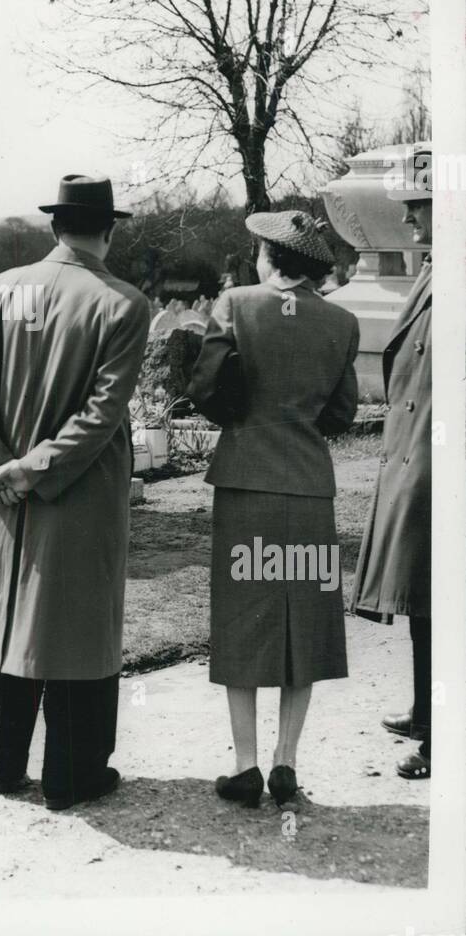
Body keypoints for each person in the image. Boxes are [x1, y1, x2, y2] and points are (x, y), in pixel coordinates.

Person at [0, 175, 151, 811]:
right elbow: (101, 414)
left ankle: (4, 767)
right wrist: (33, 469)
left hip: (5, 488)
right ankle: (73, 774)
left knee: (10, 619)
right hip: (79, 489)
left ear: (52, 228)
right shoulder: (123, 303)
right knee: (77, 630)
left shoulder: (3, 291)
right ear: (108, 230)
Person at [187, 211, 360, 808]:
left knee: (244, 621)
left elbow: (206, 390)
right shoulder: (342, 322)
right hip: (309, 487)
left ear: (270, 257)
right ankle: (287, 761)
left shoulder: (236, 304)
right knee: (301, 626)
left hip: (246, 485)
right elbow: (340, 416)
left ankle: (246, 765)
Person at [350, 144, 432, 779]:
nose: (409, 222)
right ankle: (428, 711)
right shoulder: (436, 269)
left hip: (435, 461)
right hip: (415, 456)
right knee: (424, 598)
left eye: (420, 209)